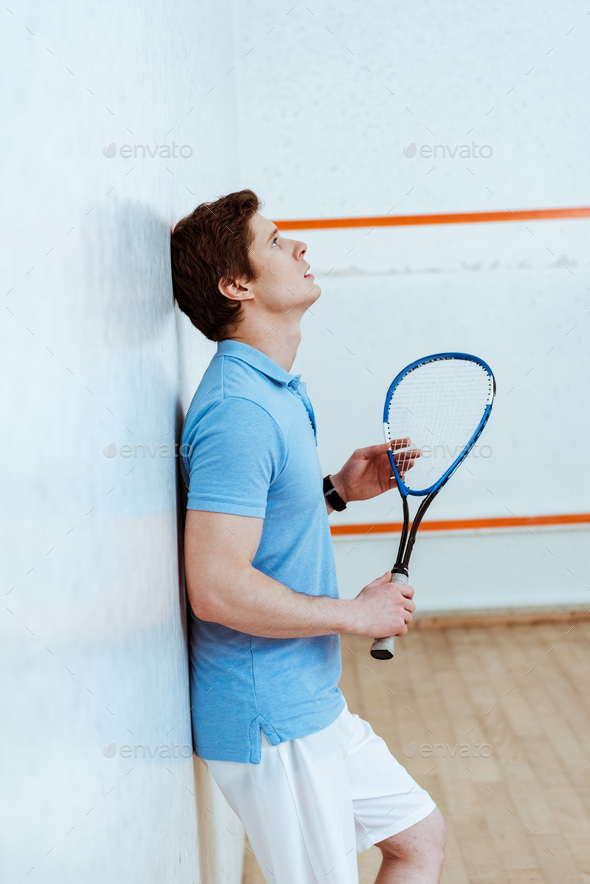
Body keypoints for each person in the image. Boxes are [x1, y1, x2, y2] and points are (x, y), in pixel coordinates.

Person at [170, 190, 445, 883]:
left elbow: (253, 531)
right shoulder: (240, 411)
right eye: (274, 243)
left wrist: (337, 492)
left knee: (418, 836)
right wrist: (356, 615)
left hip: (309, 700)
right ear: (237, 286)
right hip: (272, 720)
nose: (300, 248)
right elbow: (216, 585)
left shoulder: (279, 390)